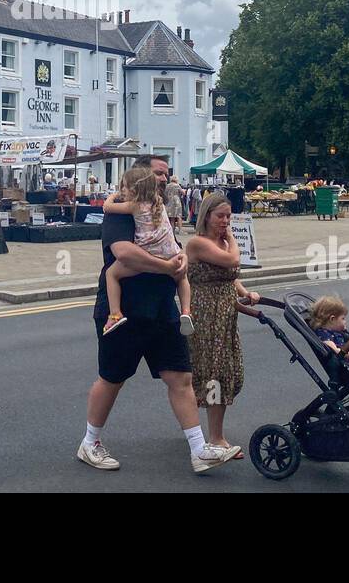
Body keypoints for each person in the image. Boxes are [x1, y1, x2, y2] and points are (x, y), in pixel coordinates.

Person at [78, 154, 240, 475]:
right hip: (125, 310)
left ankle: (199, 451)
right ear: (140, 176)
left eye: (166, 175)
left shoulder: (159, 208)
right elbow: (123, 253)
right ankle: (90, 443)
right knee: (113, 378)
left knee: (180, 378)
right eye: (158, 174)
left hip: (163, 309)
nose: (164, 180)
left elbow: (169, 245)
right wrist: (166, 266)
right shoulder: (123, 210)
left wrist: (179, 259)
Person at [185, 192, 259, 455]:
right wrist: (232, 241)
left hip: (225, 313)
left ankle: (194, 426)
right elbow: (232, 262)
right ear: (206, 216)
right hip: (206, 315)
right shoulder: (198, 243)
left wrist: (244, 292)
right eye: (220, 216)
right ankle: (215, 437)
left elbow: (230, 276)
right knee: (213, 374)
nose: (226, 221)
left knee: (227, 372)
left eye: (228, 216)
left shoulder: (222, 242)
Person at [101, 167, 193, 337]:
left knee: (112, 274)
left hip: (148, 252)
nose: (122, 191)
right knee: (182, 277)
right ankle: (186, 311)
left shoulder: (134, 205)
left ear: (134, 190)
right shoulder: (158, 202)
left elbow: (107, 207)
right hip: (170, 251)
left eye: (124, 187)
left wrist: (113, 196)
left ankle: (115, 314)